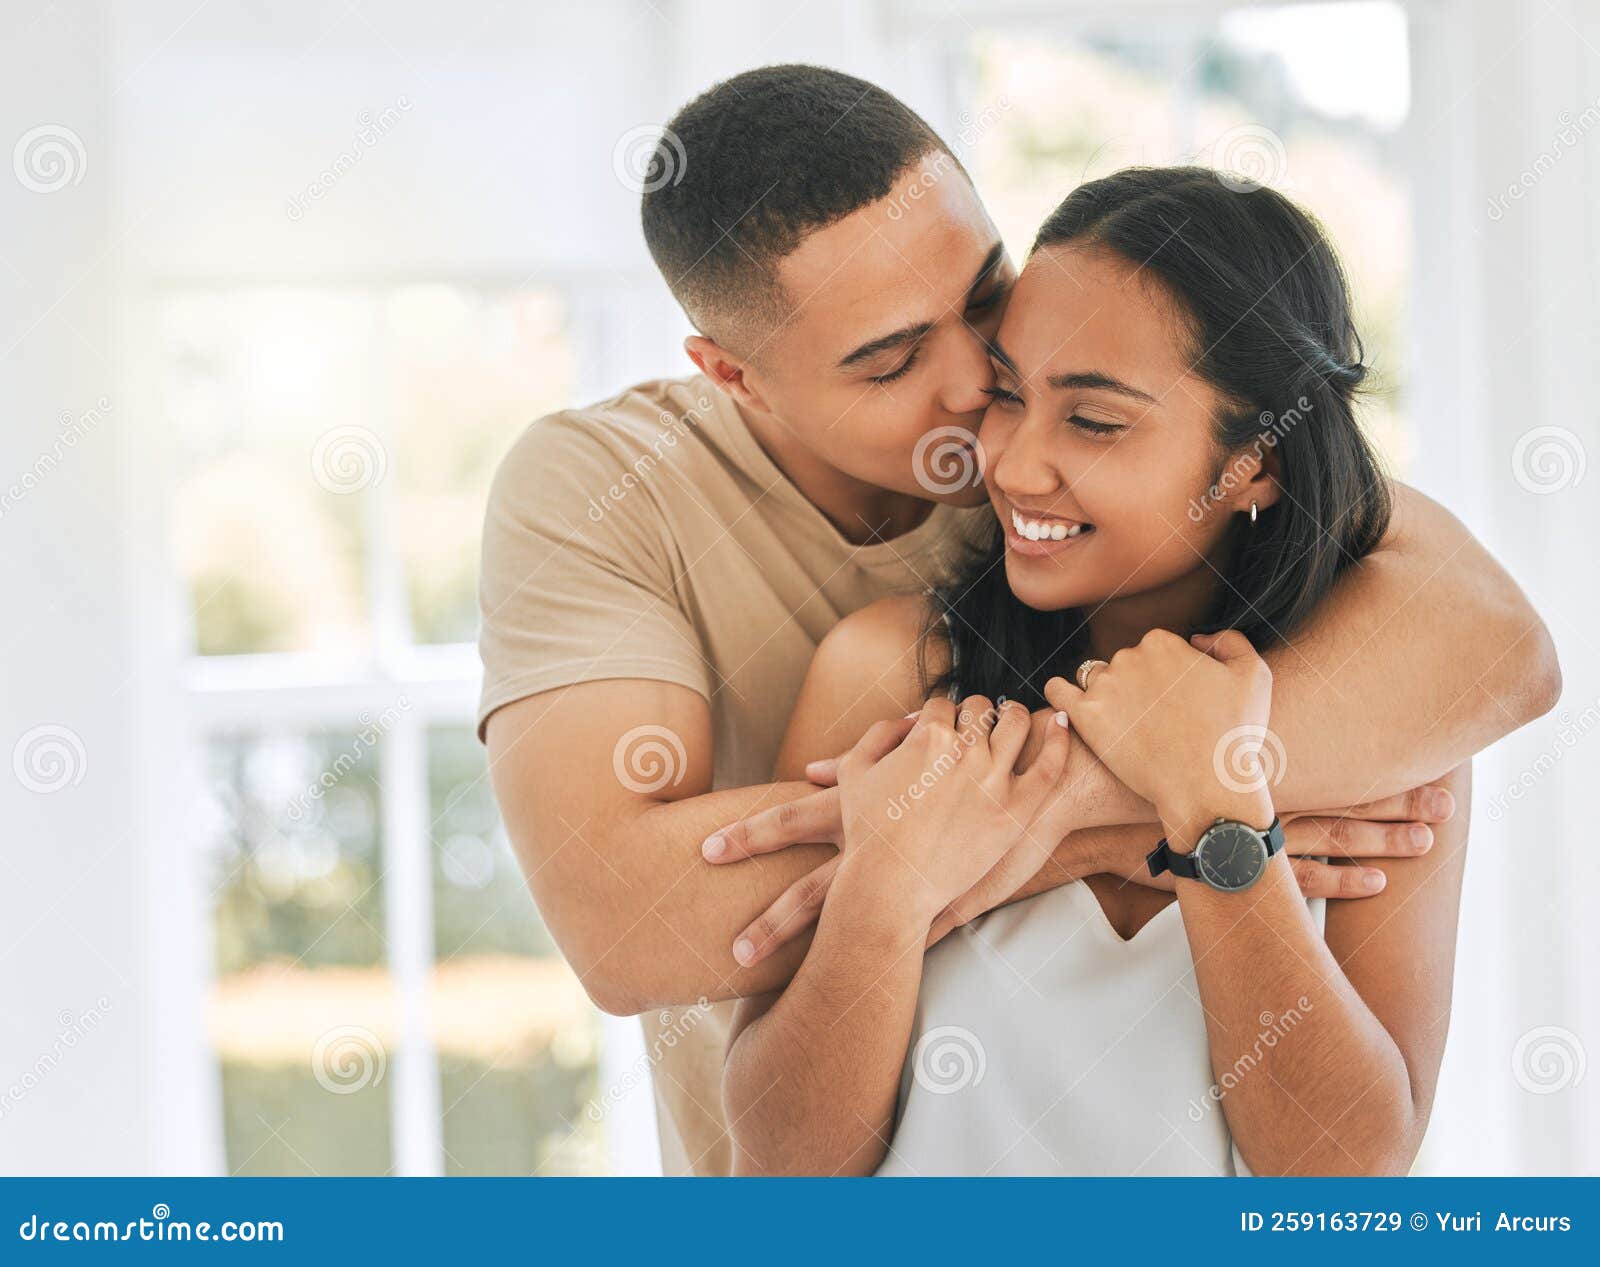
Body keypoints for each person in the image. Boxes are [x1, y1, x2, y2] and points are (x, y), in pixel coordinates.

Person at [477, 67, 1559, 1176]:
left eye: (988, 305)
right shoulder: (640, 507)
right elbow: (627, 935)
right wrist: (1072, 825)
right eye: (894, 360)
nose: (979, 416)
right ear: (734, 378)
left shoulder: (1335, 641)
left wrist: (1147, 800)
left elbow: (1500, 645)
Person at [718, 168, 1500, 1177]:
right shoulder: (888, 674)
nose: (1010, 464)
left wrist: (1219, 816)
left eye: (1093, 421)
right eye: (1006, 394)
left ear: (1255, 461)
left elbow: (1343, 1174)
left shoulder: (1383, 721)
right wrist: (887, 890)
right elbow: (785, 1172)